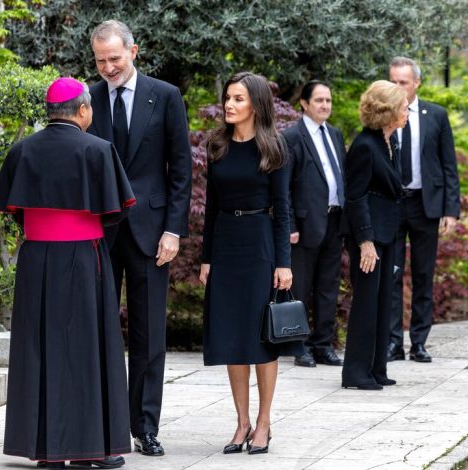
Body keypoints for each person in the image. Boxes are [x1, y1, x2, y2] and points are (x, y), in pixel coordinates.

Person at [0, 78, 135, 469]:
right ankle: (95, 448)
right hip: (85, 258)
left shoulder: (22, 150)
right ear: (84, 110)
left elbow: (15, 210)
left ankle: (45, 450)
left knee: (40, 348)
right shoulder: (99, 149)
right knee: (89, 348)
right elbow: (115, 211)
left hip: (37, 260)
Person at [87, 20, 192, 457]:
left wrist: (173, 230)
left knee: (149, 337)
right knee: (100, 331)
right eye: (100, 60)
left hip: (152, 235)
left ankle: (144, 427)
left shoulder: (165, 96)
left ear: (134, 51)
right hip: (99, 232)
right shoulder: (87, 99)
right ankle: (103, 426)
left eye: (114, 58)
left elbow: (181, 169)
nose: (108, 67)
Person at [198, 72, 301, 455]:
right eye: (227, 97)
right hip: (226, 244)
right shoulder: (217, 146)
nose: (229, 104)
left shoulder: (274, 148)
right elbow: (209, 209)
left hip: (259, 242)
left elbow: (283, 209)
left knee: (260, 338)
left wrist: (283, 262)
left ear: (255, 104)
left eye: (238, 99)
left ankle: (263, 422)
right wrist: (207, 257)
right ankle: (240, 422)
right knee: (231, 337)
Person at [387, 57, 461, 363]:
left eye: (403, 82)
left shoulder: (436, 116)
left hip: (425, 205)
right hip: (391, 204)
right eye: (393, 81)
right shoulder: (383, 114)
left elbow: (448, 165)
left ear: (416, 83)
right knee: (391, 275)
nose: (397, 87)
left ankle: (419, 342)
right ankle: (393, 342)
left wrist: (451, 210)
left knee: (423, 274)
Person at [341, 80, 408, 390]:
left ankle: (376, 367)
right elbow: (355, 197)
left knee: (383, 303)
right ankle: (356, 372)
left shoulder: (388, 141)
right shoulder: (365, 146)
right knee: (367, 302)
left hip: (387, 233)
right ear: (388, 111)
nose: (407, 111)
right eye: (403, 107)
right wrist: (365, 242)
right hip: (369, 237)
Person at [282, 80, 346, 368]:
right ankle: (300, 346)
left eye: (328, 101)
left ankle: (323, 345)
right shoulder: (292, 136)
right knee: (301, 288)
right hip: (304, 225)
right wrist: (290, 224)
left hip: (334, 220)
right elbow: (283, 186)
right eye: (319, 100)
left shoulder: (334, 134)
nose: (325, 106)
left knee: (328, 286)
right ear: (304, 104)